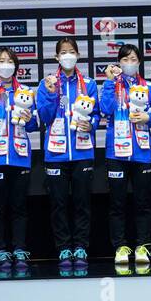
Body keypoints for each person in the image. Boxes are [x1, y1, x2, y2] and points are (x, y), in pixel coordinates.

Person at [0, 48, 38, 272]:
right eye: (1, 61)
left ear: (16, 65)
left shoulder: (26, 91)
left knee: (19, 206)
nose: (5, 64)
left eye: (9, 61)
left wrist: (29, 119)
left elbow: (33, 125)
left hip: (20, 157)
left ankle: (19, 249)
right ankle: (0, 250)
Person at [39, 39, 99, 271]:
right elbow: (44, 117)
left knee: (82, 202)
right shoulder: (47, 83)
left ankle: (81, 246)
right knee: (59, 203)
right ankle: (64, 247)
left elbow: (96, 114)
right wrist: (52, 94)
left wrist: (91, 124)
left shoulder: (89, 84)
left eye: (71, 52)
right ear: (56, 58)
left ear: (78, 55)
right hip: (56, 153)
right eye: (63, 53)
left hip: (82, 151)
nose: (67, 56)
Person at [99, 42, 151, 267]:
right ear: (119, 62)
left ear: (140, 62)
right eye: (125, 59)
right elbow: (105, 110)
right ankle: (120, 247)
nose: (130, 63)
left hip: (142, 152)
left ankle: (143, 245)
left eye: (134, 59)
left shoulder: (149, 87)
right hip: (116, 152)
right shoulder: (112, 85)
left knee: (143, 201)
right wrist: (109, 82)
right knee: (117, 203)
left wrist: (147, 119)